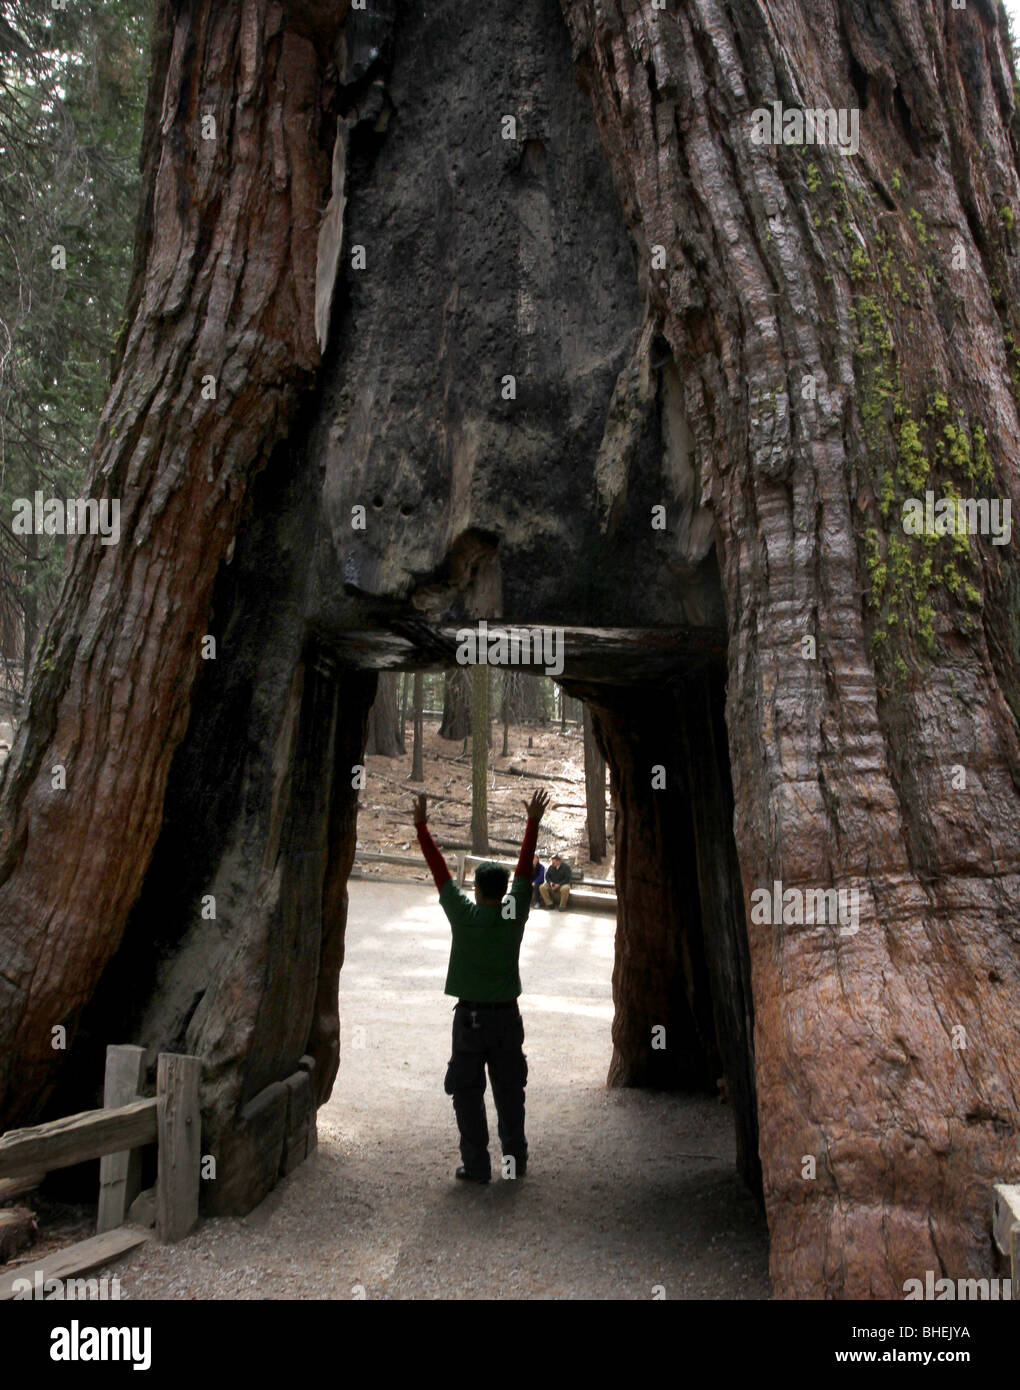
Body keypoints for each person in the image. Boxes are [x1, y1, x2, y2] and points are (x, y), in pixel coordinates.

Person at [414, 786, 551, 1184]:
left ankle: (476, 1166)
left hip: (469, 1022)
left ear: (476, 889)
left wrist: (423, 827)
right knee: (510, 1094)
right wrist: (532, 823)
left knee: (467, 1094)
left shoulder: (464, 915)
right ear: (504, 891)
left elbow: (440, 872)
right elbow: (526, 871)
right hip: (506, 1020)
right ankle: (514, 1162)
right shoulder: (513, 916)